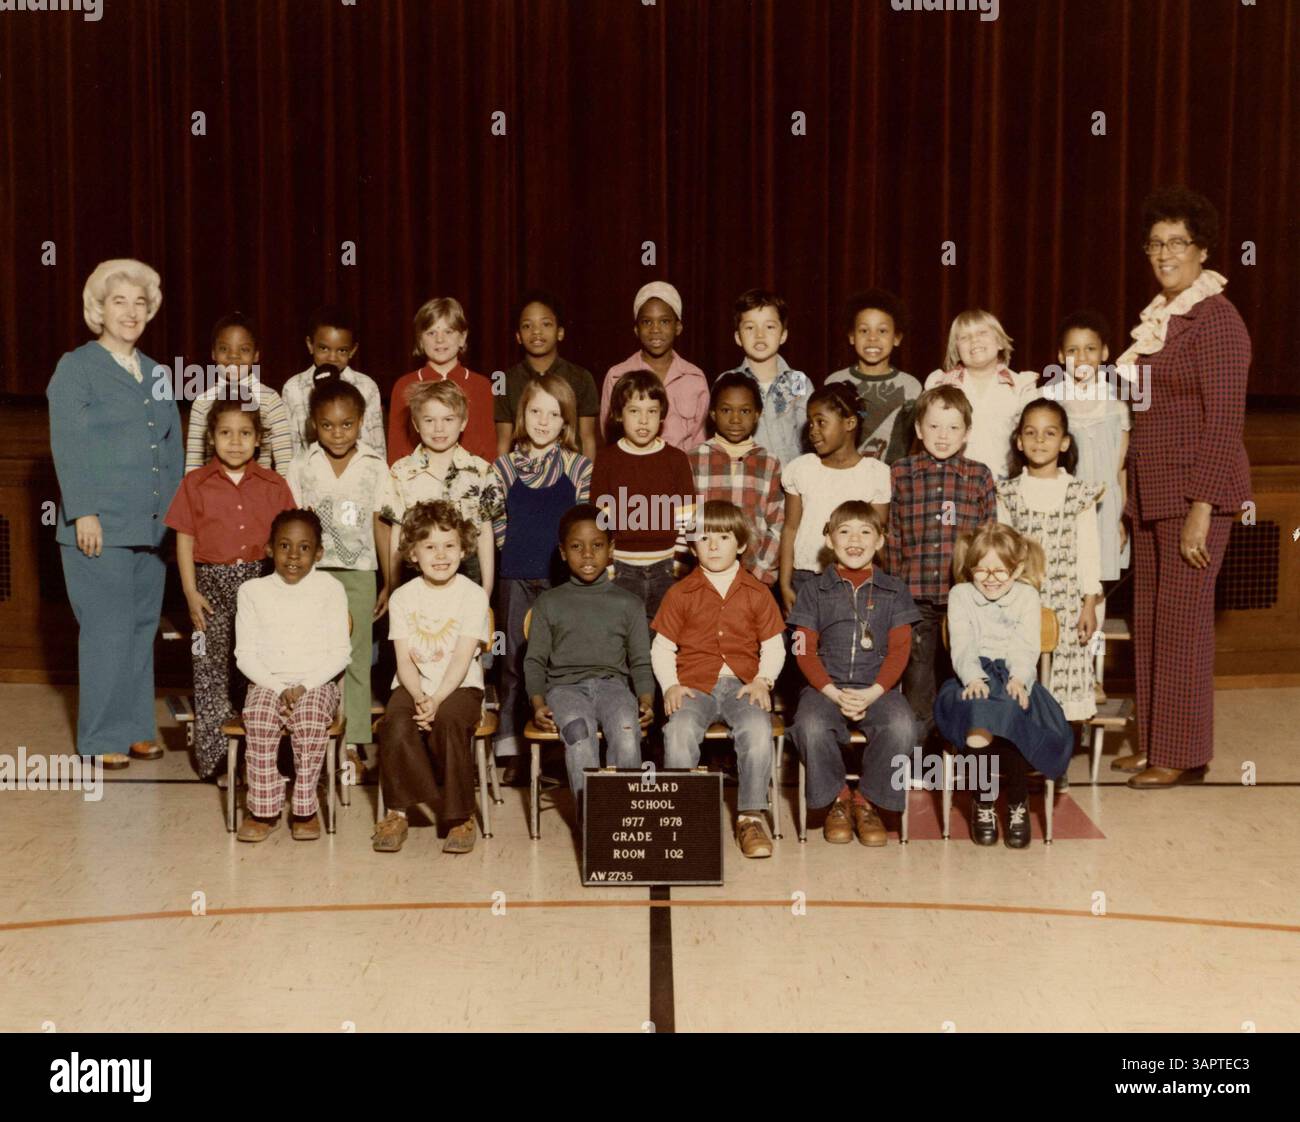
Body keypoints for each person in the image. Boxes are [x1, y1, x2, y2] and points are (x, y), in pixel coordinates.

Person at [1111, 186, 1252, 788]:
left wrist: (1202, 507)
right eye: (1156, 244)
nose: (1165, 253)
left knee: (1185, 622)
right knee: (1151, 619)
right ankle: (1156, 742)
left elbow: (1224, 423)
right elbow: (1140, 413)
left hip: (1198, 493)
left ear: (1201, 252)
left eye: (1177, 243)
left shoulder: (1217, 320)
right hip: (1152, 491)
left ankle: (1183, 753)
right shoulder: (1161, 319)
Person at [47, 258, 183, 768]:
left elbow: (169, 451)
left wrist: (174, 520)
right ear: (98, 309)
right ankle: (102, 735)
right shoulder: (76, 368)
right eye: (119, 302)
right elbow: (69, 444)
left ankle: (135, 729)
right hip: (98, 526)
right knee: (105, 627)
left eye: (139, 303)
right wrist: (83, 511)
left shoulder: (156, 372)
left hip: (150, 525)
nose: (130, 312)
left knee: (140, 625)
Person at [166, 400, 294, 779]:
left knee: (262, 673)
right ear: (210, 438)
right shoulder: (195, 484)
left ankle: (266, 758)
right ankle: (219, 761)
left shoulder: (274, 485)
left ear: (259, 440)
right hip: (210, 589)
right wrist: (190, 592)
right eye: (225, 433)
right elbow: (184, 540)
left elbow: (288, 540)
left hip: (261, 585)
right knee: (209, 671)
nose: (235, 442)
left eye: (245, 434)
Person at [652, 501, 786, 857]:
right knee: (679, 731)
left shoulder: (757, 593)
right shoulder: (679, 594)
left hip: (743, 685)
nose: (713, 545)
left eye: (723, 537)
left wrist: (763, 681)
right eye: (704, 538)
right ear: (692, 546)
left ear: (740, 544)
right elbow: (662, 648)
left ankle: (750, 817)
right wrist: (670, 686)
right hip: (694, 685)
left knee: (757, 730)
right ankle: (682, 816)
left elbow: (775, 647)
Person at [933, 523, 1073, 848]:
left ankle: (1016, 802)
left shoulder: (1027, 596)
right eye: (981, 570)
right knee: (981, 714)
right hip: (971, 677)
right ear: (970, 569)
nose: (990, 579)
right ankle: (983, 801)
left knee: (1011, 709)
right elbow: (963, 644)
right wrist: (973, 678)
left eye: (1000, 571)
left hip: (1014, 675)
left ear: (1017, 568)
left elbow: (1025, 647)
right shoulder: (961, 595)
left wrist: (1019, 679)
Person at [788, 502, 919, 846]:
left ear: (880, 541)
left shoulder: (895, 590)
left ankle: (868, 802)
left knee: (902, 725)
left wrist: (874, 692)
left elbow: (900, 650)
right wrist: (832, 692)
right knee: (810, 725)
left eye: (865, 532)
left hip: (879, 688)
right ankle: (838, 798)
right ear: (829, 540)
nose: (855, 540)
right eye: (844, 531)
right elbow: (802, 649)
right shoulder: (813, 590)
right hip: (824, 688)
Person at [372, 502, 492, 854]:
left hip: (461, 684)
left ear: (463, 548)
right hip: (413, 683)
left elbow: (461, 657)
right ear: (413, 552)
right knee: (395, 720)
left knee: (450, 721)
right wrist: (420, 695)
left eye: (449, 545)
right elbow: (403, 661)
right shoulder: (402, 597)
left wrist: (437, 699)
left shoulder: (472, 595)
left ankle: (459, 816)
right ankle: (397, 812)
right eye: (430, 546)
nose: (441, 555)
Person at [287, 375, 392, 776]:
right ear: (314, 423)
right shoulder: (301, 465)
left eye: (346, 424)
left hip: (360, 573)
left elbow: (382, 523)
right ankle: (310, 737)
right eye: (327, 425)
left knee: (358, 659)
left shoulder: (374, 466)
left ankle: (355, 745)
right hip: (313, 576)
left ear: (362, 420)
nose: (337, 433)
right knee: (314, 658)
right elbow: (293, 526)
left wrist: (388, 579)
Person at [491, 374, 593, 785]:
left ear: (566, 420)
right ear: (522, 414)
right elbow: (495, 519)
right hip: (515, 575)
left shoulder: (578, 466)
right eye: (535, 411)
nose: (543, 421)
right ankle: (513, 747)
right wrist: (512, 549)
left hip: (560, 583)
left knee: (561, 665)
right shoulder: (504, 466)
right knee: (514, 664)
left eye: (554, 413)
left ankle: (563, 749)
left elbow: (584, 522)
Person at [523, 504, 654, 812]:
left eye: (596, 546)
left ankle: (624, 817)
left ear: (611, 549)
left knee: (625, 729)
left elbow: (640, 661)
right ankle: (593, 825)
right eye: (576, 547)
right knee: (578, 734)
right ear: (563, 552)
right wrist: (538, 702)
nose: (587, 555)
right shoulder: (549, 603)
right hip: (565, 690)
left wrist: (646, 699)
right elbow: (535, 661)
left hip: (613, 688)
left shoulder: (629, 604)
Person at [888, 385, 997, 752]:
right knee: (918, 679)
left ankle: (963, 752)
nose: (943, 436)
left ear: (967, 433)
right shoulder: (900, 473)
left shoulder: (979, 476)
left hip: (964, 599)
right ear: (918, 429)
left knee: (963, 675)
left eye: (953, 428)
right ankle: (919, 757)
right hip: (914, 597)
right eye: (934, 426)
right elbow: (893, 538)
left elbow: (987, 540)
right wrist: (896, 591)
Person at [233, 509, 351, 842]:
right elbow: (245, 655)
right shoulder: (252, 591)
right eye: (285, 546)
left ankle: (305, 809)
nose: (294, 556)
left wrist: (304, 686)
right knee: (257, 716)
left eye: (303, 548)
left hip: (315, 682)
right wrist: (276, 686)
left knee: (311, 720)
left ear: (318, 553)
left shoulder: (330, 588)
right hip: (268, 681)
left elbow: (340, 653)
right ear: (269, 548)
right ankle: (263, 810)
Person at [997, 400, 1103, 723]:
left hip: (1067, 603)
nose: (1039, 441)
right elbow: (1001, 551)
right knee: (1020, 674)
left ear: (1064, 442)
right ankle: (1023, 755)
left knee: (1062, 683)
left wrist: (1088, 604)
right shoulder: (1008, 492)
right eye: (1031, 433)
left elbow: (1088, 553)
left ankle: (1057, 761)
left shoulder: (1077, 492)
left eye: (1049, 433)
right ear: (1019, 440)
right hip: (1020, 601)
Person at [591, 369, 698, 624]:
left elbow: (688, 518)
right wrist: (607, 567)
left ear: (662, 415)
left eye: (651, 411)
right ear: (618, 414)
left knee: (664, 642)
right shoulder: (607, 459)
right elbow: (600, 522)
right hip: (621, 570)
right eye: (634, 411)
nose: (643, 420)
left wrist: (679, 562)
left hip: (666, 568)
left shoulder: (676, 459)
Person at [379, 379, 502, 593]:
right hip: (416, 572)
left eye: (448, 419)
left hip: (467, 571)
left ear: (463, 422)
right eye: (429, 420)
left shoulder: (482, 471)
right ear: (416, 424)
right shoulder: (401, 472)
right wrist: (394, 587)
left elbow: (485, 531)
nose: (438, 428)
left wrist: (487, 587)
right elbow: (397, 534)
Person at [779, 382, 890, 613]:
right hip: (804, 577)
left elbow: (878, 538)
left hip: (854, 578)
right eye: (810, 422)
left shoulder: (874, 473)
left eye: (821, 422)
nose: (813, 430)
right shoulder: (801, 469)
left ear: (849, 423)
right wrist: (784, 581)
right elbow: (790, 528)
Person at [1046, 310, 1131, 583]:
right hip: (1060, 511)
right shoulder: (1048, 401)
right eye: (1072, 350)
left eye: (1090, 349)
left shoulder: (1116, 407)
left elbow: (1120, 471)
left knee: (1095, 591)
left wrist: (1120, 519)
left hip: (1103, 513)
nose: (1081, 358)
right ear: (1061, 357)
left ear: (1104, 353)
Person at [687, 371, 784, 587]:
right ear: (712, 413)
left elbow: (777, 525)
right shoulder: (693, 459)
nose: (735, 419)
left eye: (745, 411)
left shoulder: (769, 462)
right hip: (702, 576)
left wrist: (758, 573)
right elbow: (683, 521)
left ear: (757, 414)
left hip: (753, 576)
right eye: (725, 410)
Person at [924, 309, 1039, 478]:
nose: (974, 340)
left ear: (1000, 342)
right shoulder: (941, 385)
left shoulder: (1020, 386)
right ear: (956, 349)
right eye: (964, 337)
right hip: (954, 483)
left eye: (982, 333)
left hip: (1005, 483)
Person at [597, 281, 709, 451]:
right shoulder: (617, 375)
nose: (655, 329)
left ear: (678, 327)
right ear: (636, 329)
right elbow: (610, 435)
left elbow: (698, 440)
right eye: (647, 322)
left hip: (681, 472)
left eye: (664, 321)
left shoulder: (695, 378)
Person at [387, 297, 496, 464]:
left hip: (471, 481)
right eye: (431, 332)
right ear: (420, 340)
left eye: (449, 331)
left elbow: (488, 448)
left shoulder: (481, 385)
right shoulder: (404, 385)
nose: (440, 339)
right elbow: (396, 450)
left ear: (462, 338)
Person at [495, 290, 600, 461]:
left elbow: (587, 439)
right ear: (518, 336)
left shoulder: (581, 378)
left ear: (560, 332)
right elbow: (503, 441)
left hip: (569, 476)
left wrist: (586, 483)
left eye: (546, 324)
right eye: (527, 326)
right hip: (522, 476)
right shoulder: (505, 381)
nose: (536, 331)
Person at [184, 312, 293, 475]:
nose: (233, 356)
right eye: (224, 349)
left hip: (260, 494)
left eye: (244, 350)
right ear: (213, 353)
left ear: (256, 355)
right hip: (214, 494)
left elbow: (285, 464)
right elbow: (193, 466)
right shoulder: (202, 402)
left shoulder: (270, 400)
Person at [826, 289, 922, 463]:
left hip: (892, 480)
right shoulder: (834, 382)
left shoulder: (911, 386)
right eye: (863, 331)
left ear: (897, 338)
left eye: (882, 331)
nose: (872, 338)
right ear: (851, 337)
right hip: (844, 478)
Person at [721, 288, 812, 467]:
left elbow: (809, 437)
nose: (760, 335)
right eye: (750, 327)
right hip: (747, 480)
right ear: (738, 337)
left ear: (783, 335)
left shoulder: (798, 381)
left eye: (769, 327)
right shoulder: (727, 382)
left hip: (792, 482)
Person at [282, 305, 385, 459]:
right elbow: (291, 445)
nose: (332, 358)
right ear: (310, 345)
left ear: (352, 350)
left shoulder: (366, 387)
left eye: (342, 350)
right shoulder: (293, 388)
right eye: (324, 348)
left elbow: (377, 445)